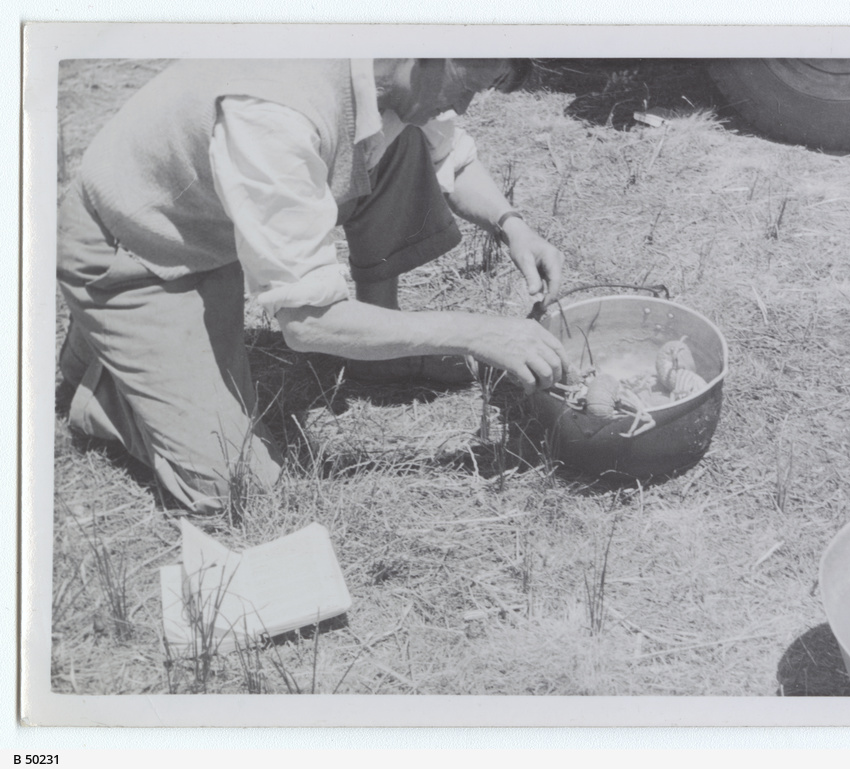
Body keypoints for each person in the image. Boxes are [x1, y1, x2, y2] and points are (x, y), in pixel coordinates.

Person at [57, 58, 570, 515]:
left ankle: (379, 356)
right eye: (466, 86)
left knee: (408, 137)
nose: (466, 106)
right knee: (232, 483)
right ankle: (103, 364)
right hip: (144, 252)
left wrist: (512, 224)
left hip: (221, 224)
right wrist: (478, 333)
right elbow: (306, 321)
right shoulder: (275, 114)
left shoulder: (392, 73)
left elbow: (450, 156)